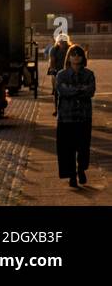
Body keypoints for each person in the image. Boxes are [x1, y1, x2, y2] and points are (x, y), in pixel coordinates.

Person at [54, 44, 96, 187]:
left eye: (79, 54)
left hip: (84, 117)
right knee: (67, 149)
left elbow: (90, 91)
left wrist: (73, 89)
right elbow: (62, 90)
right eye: (73, 54)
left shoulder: (89, 74)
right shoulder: (61, 74)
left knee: (83, 147)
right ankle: (72, 175)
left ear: (83, 57)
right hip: (66, 118)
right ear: (69, 57)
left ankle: (81, 169)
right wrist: (80, 89)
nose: (76, 56)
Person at [49, 34, 71, 116]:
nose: (62, 43)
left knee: (69, 90)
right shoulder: (54, 49)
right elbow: (52, 60)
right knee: (57, 92)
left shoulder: (70, 49)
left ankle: (68, 108)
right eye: (60, 42)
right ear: (58, 42)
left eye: (64, 42)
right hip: (58, 71)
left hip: (68, 71)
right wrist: (52, 69)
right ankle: (57, 109)